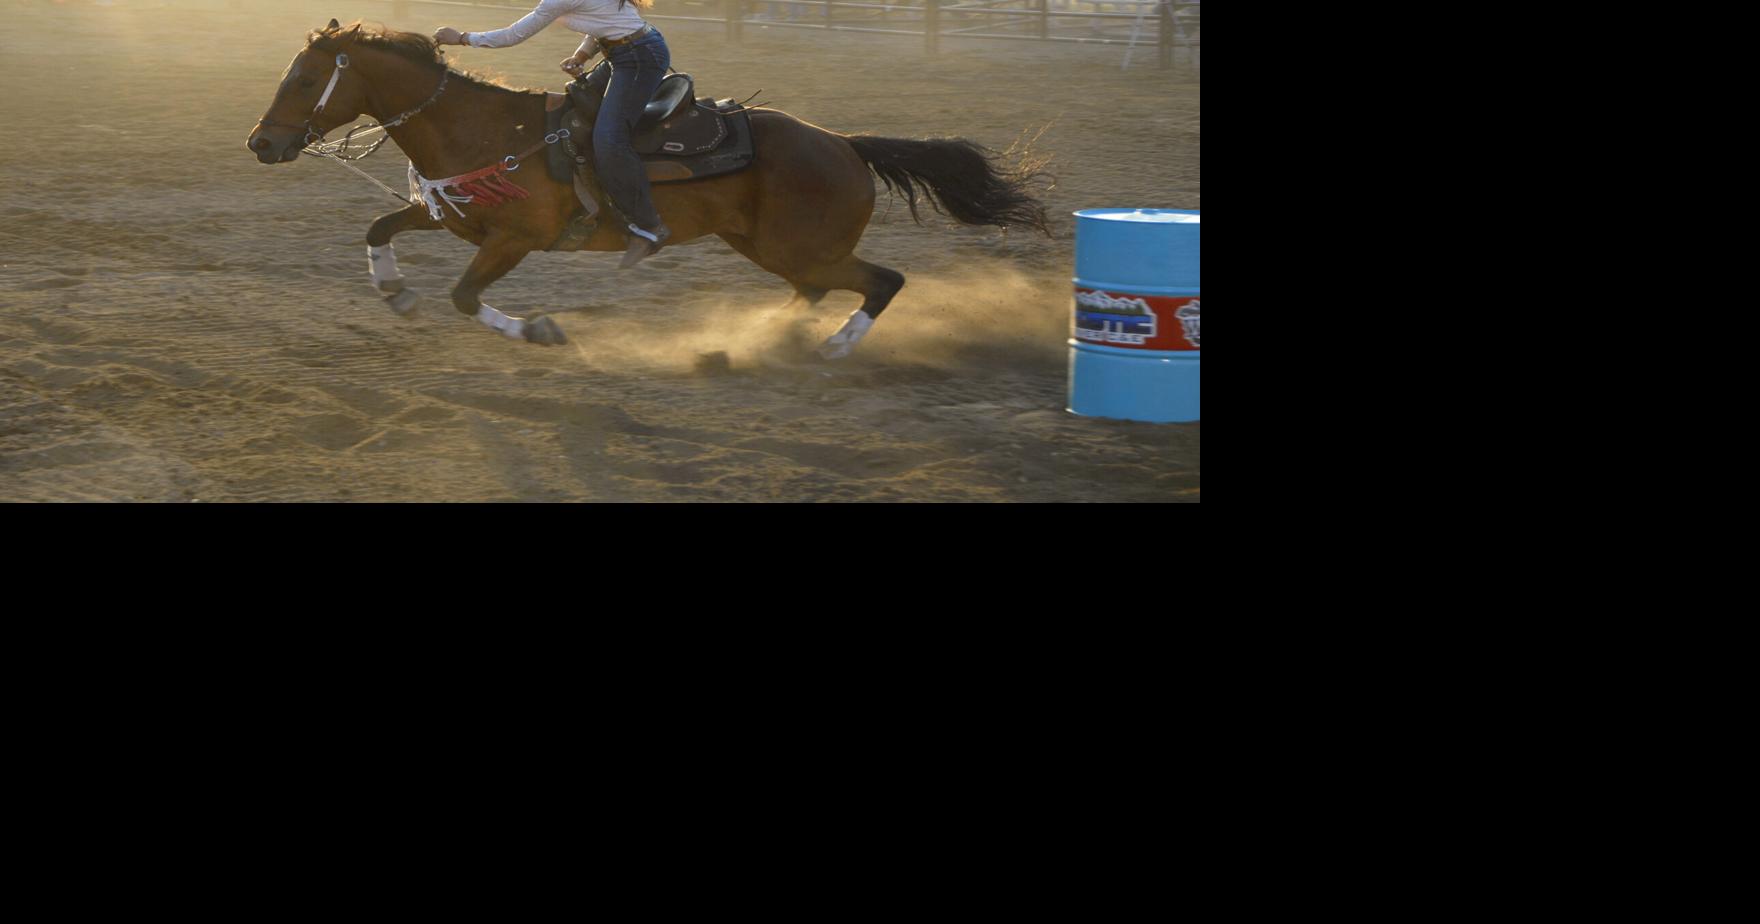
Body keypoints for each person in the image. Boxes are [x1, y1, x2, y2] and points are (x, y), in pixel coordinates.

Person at [433, 0, 672, 268]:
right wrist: (582, 55)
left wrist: (462, 38)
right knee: (577, 114)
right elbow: (602, 22)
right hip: (626, 53)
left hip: (638, 59)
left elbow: (513, 35)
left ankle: (649, 226)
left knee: (609, 139)